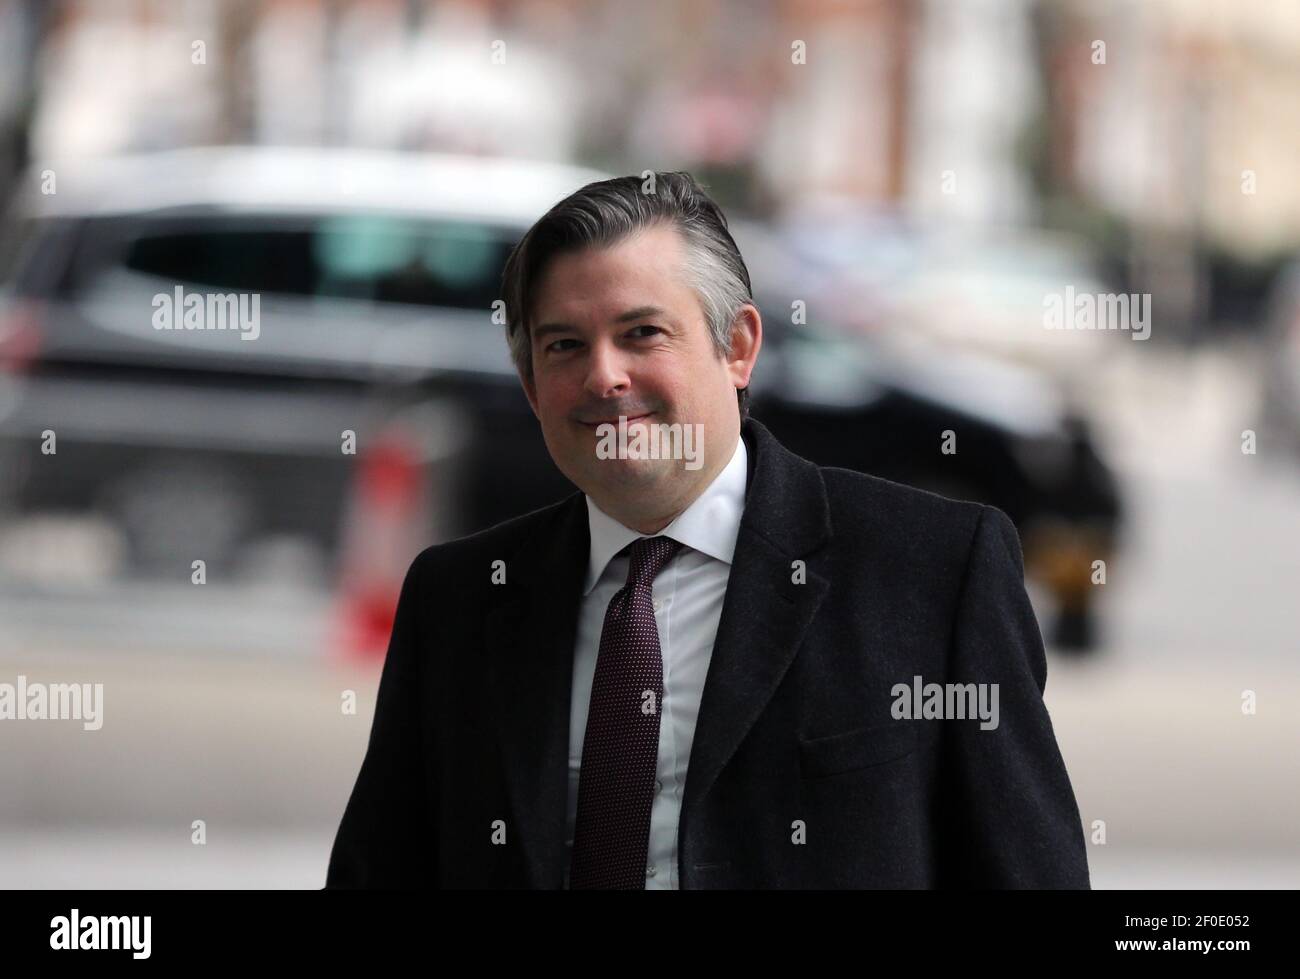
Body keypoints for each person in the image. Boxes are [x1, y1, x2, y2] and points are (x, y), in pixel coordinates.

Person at [325, 171, 1090, 889]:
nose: (604, 377)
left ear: (739, 347)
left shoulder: (935, 572)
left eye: (643, 332)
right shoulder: (457, 599)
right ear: (531, 386)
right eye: (564, 345)